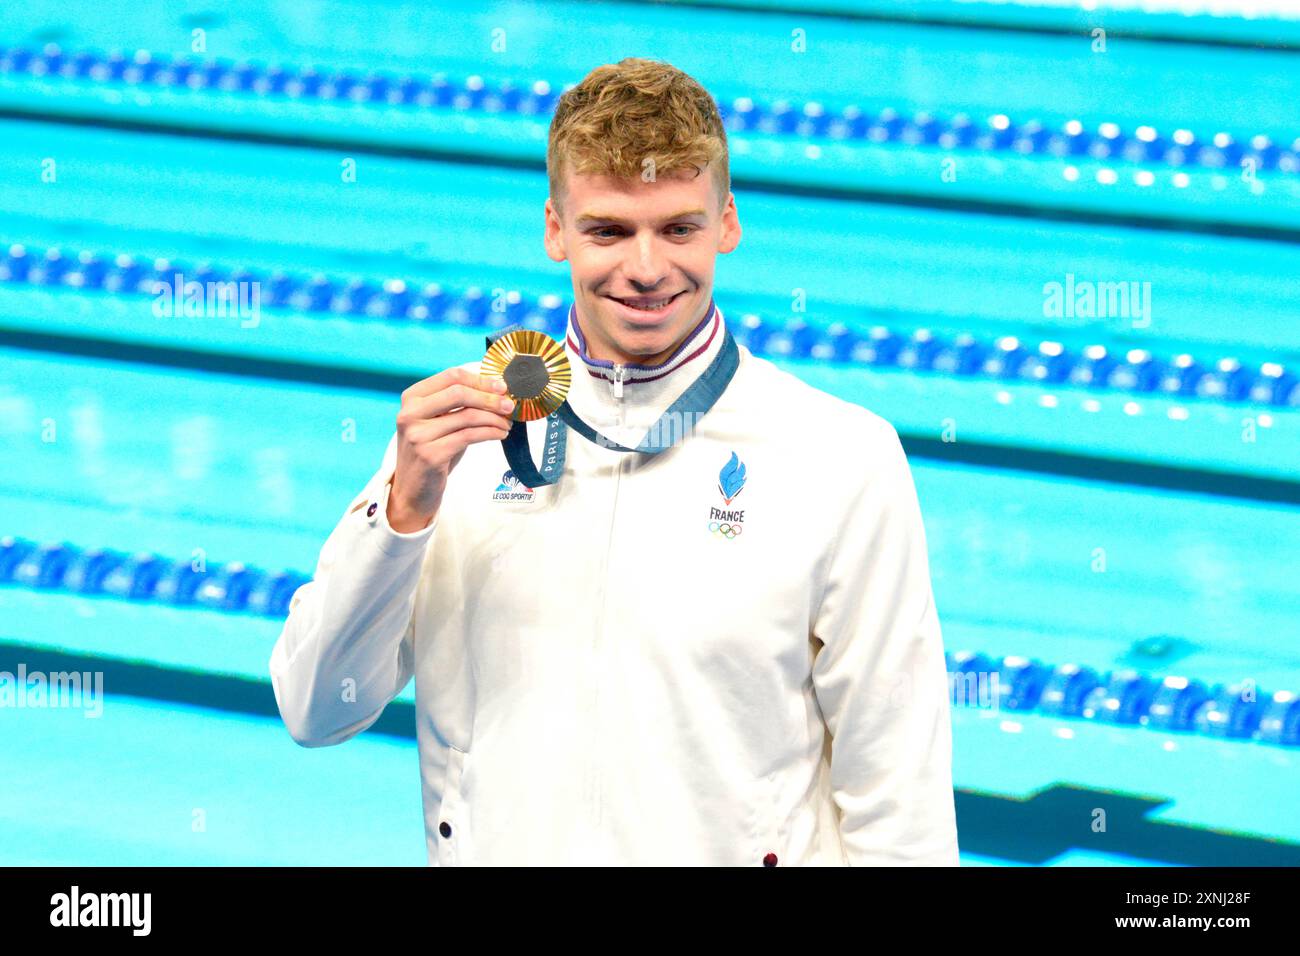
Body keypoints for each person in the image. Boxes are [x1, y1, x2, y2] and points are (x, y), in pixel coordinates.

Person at [269, 57, 959, 866]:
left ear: (728, 223)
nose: (645, 269)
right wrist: (403, 509)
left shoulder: (839, 457)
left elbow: (898, 798)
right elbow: (316, 709)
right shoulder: (461, 435)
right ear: (556, 229)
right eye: (608, 230)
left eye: (678, 227)